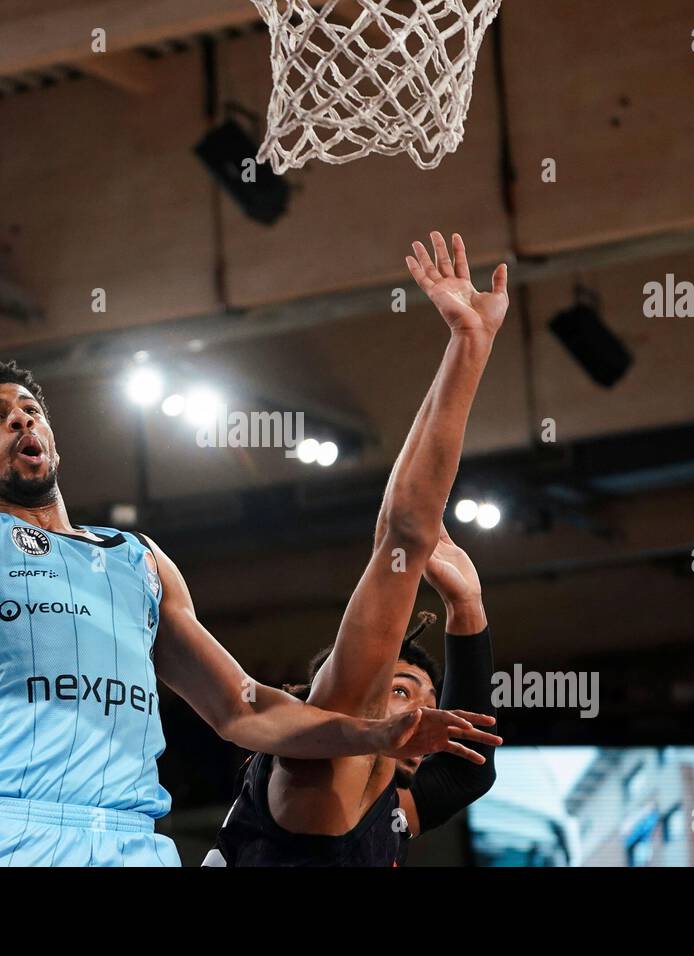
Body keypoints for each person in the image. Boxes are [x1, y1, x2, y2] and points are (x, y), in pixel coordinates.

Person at [0, 82, 486, 866]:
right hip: (14, 832)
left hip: (134, 843)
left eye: (31, 406)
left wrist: (375, 734)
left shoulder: (139, 563)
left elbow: (247, 709)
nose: (22, 418)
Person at [206, 232, 507, 866]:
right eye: (402, 691)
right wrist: (468, 350)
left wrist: (469, 607)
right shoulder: (323, 774)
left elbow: (472, 765)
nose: (423, 714)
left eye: (427, 699)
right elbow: (401, 535)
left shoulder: (389, 802)